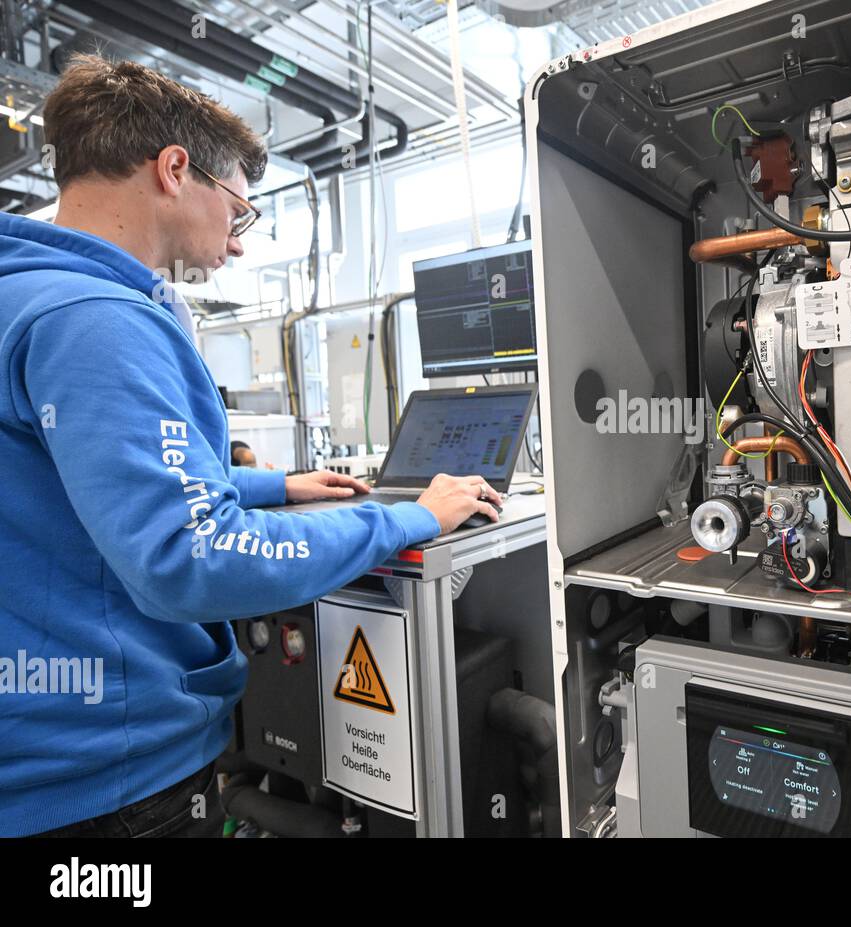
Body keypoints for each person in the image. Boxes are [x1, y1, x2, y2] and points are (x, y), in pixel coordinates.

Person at [0, 55, 501, 837]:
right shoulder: (95, 318)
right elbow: (189, 558)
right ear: (173, 169)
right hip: (110, 783)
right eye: (238, 211)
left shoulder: (24, 293)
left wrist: (272, 488)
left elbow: (68, 496)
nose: (237, 244)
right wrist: (412, 519)